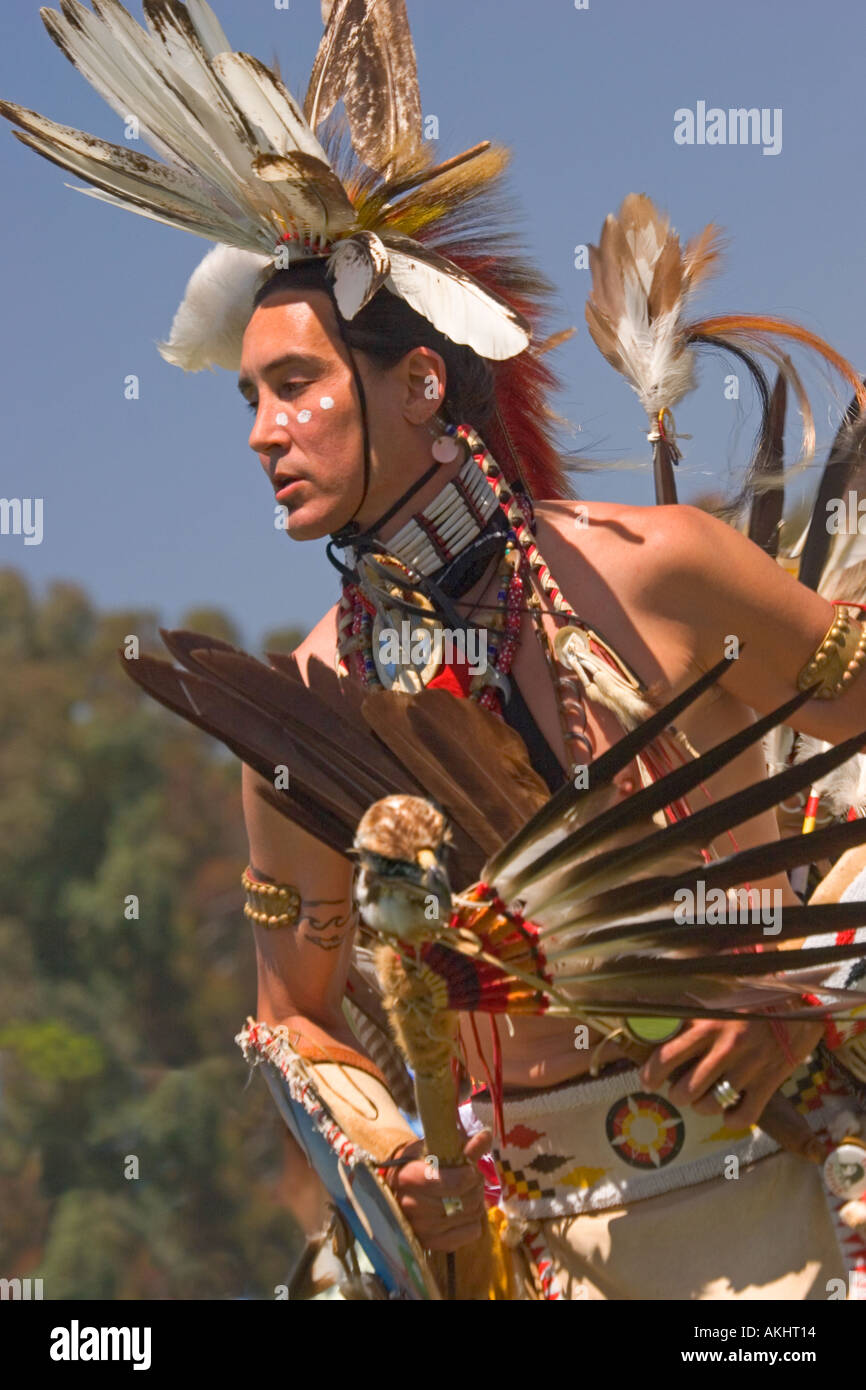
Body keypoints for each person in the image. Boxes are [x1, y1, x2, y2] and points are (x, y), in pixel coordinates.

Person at [5, 0, 866, 1299]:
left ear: (414, 382)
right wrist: (383, 1143)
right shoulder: (306, 711)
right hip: (528, 1246)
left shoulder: (660, 569)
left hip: (784, 1171)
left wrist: (804, 974)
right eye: (248, 400)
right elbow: (293, 1011)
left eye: (293, 385)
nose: (259, 433)